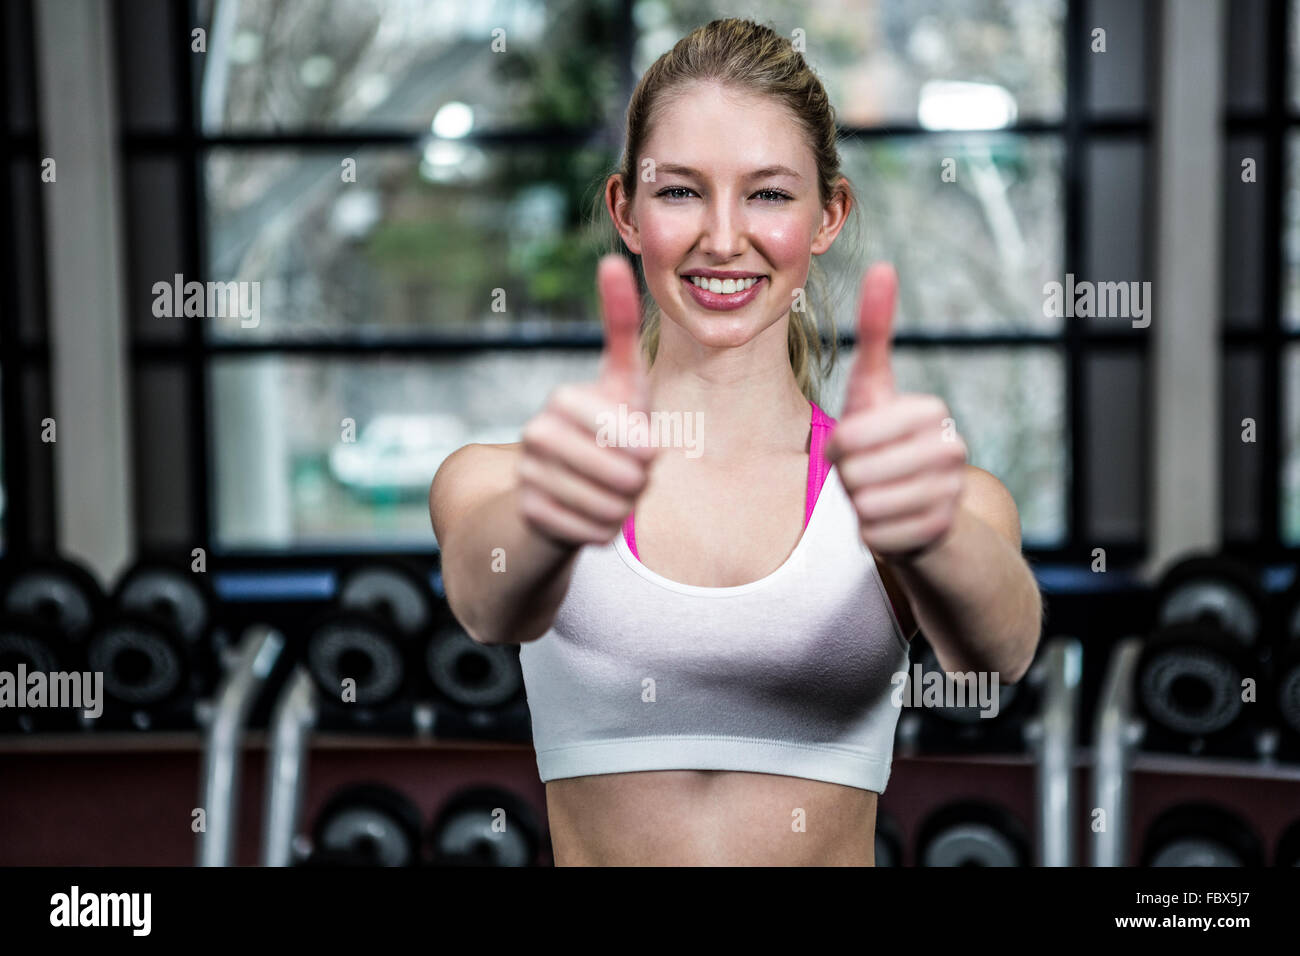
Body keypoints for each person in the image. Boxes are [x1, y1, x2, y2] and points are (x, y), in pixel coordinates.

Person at [429, 17, 1042, 865]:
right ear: (626, 211)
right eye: (680, 191)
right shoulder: (507, 481)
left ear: (828, 216)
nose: (723, 237)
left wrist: (926, 537)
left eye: (769, 194)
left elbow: (1000, 649)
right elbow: (486, 600)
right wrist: (548, 516)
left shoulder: (928, 497)